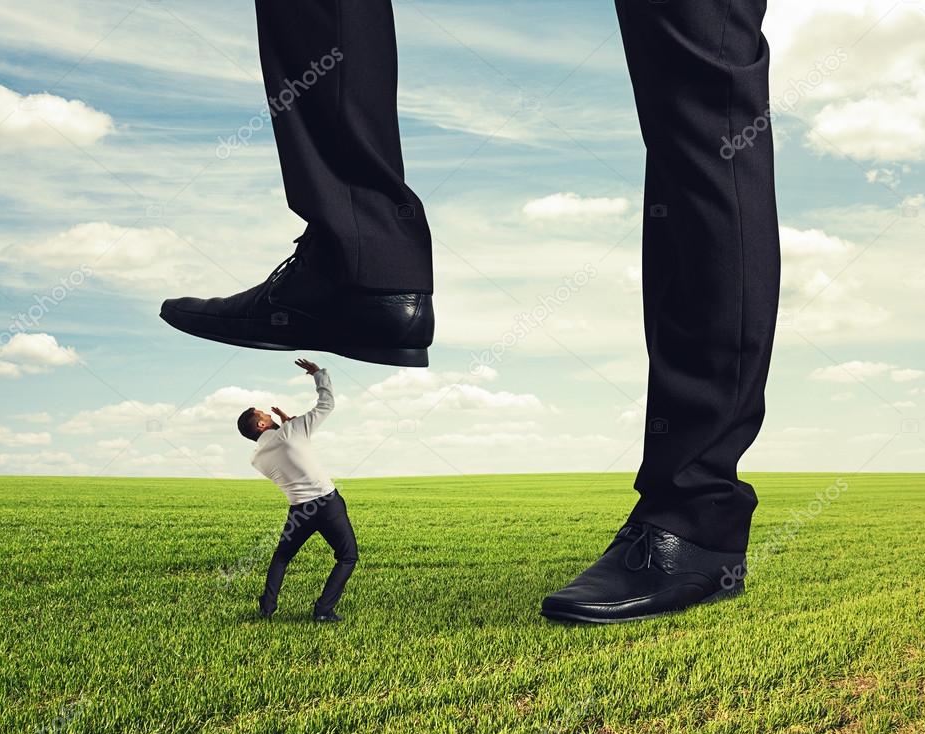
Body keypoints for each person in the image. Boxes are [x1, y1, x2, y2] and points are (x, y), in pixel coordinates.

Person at [170, 0, 781, 624]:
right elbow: (317, 416)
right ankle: (360, 262)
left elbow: (314, 418)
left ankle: (695, 511)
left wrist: (312, 391)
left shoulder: (272, 447)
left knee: (700, 69)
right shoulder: (284, 440)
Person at [238, 358, 357, 622]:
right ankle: (323, 610)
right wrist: (318, 374)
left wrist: (289, 425)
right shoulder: (291, 431)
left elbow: (289, 451)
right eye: (264, 415)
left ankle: (267, 607)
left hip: (299, 510)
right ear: (260, 424)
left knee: (282, 557)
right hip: (327, 504)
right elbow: (327, 404)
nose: (268, 415)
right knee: (347, 556)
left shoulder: (256, 458)